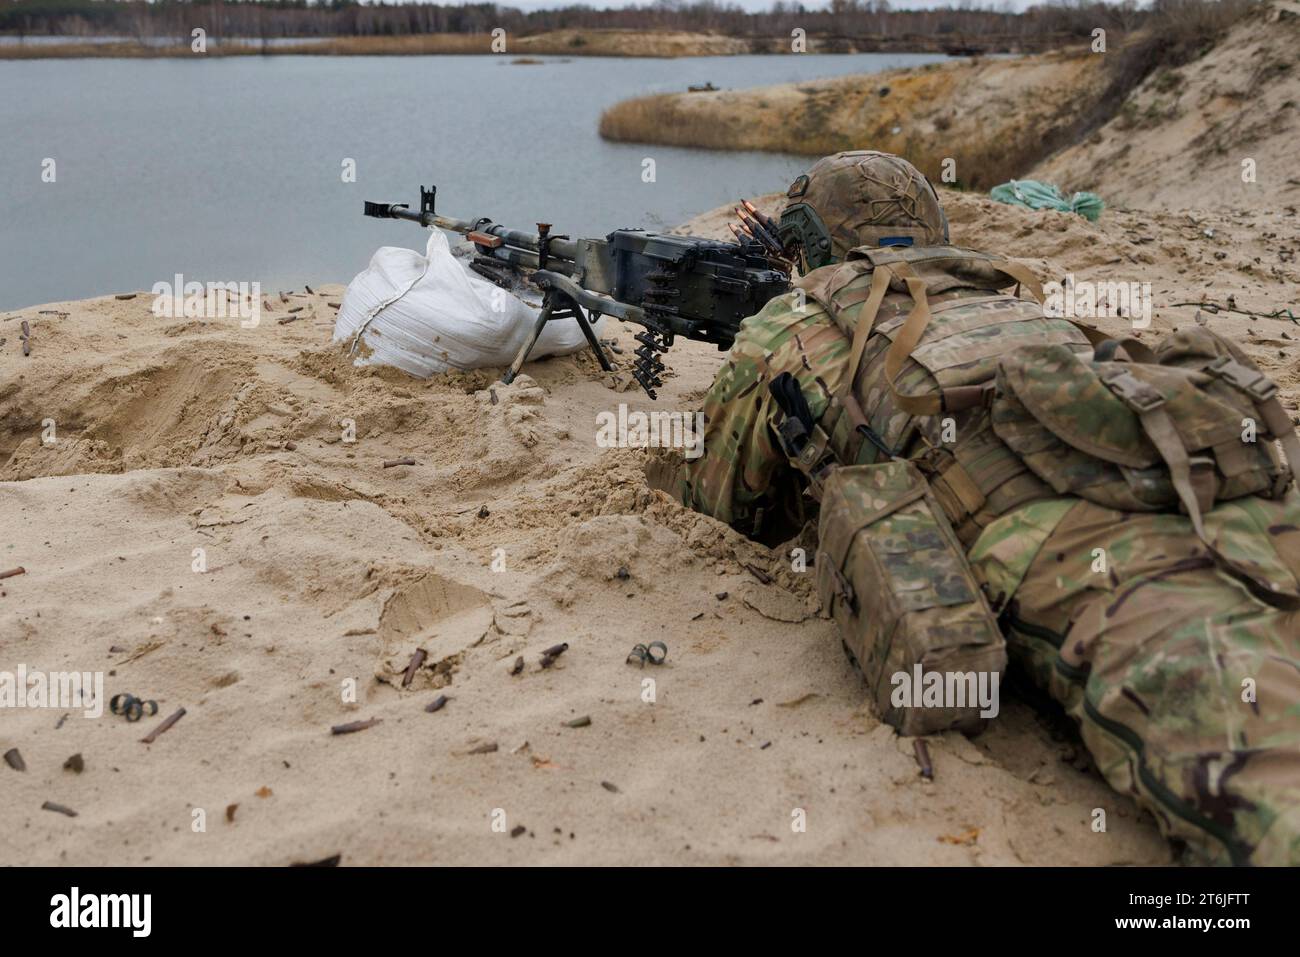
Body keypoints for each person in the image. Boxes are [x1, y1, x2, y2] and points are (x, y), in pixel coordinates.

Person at [653, 150, 1300, 865]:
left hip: (1075, 553)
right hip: (1207, 491)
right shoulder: (1014, 296)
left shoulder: (795, 320)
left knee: (1268, 782)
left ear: (805, 243)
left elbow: (711, 503)